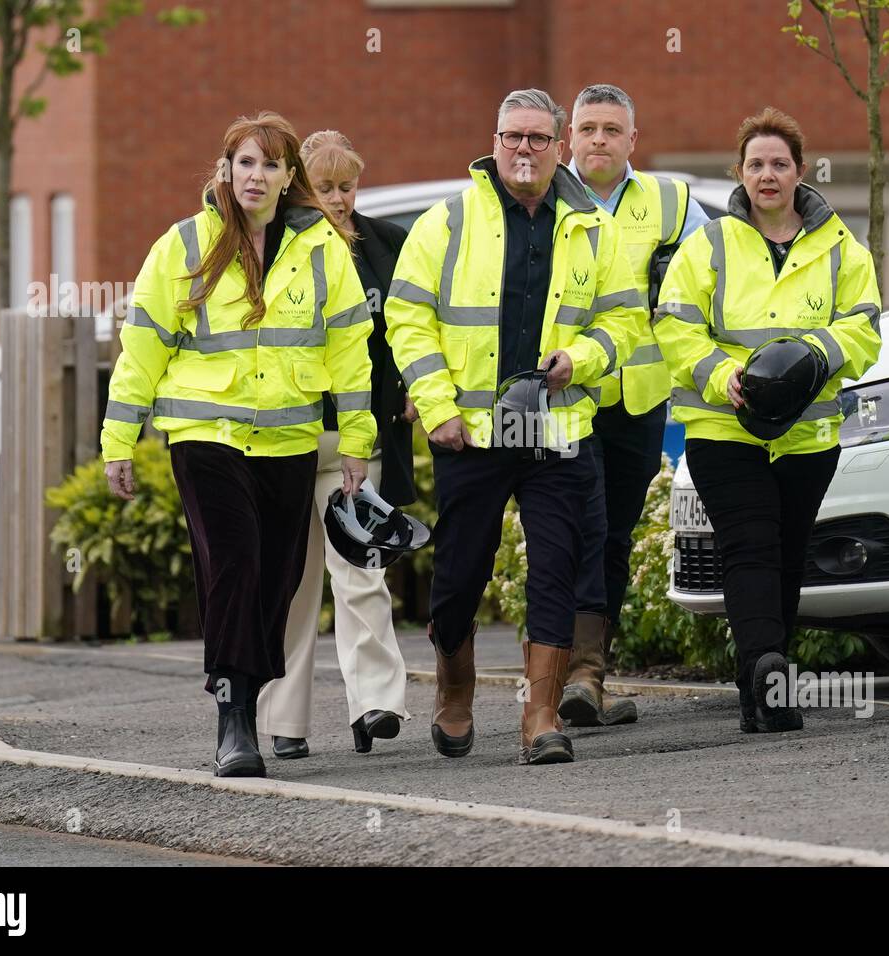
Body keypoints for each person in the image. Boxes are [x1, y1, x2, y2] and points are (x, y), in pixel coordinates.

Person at [100, 111, 375, 777]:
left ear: (289, 177)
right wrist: (119, 437)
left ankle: (247, 701)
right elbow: (143, 346)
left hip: (287, 439)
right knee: (235, 566)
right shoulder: (184, 246)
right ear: (225, 170)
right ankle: (234, 719)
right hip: (207, 438)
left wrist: (359, 438)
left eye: (270, 164)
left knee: (277, 581)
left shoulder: (321, 251)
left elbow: (349, 350)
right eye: (243, 162)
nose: (255, 175)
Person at [386, 88, 643, 765]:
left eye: (536, 138)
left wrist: (579, 358)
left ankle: (540, 715)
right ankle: (456, 683)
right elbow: (408, 320)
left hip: (560, 430)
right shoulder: (447, 220)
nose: (523, 149)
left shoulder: (595, 227)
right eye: (511, 137)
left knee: (556, 569)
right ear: (493, 142)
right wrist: (437, 407)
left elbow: (625, 324)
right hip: (470, 434)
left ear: (560, 148)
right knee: (460, 573)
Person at [652, 107, 881, 733]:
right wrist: (719, 374)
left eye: (780, 163)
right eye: (756, 164)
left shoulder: (841, 249)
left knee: (786, 554)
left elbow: (865, 329)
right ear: (741, 173)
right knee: (748, 546)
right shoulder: (710, 245)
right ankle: (771, 676)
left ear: (800, 172)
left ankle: (759, 686)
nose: (768, 174)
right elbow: (673, 322)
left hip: (809, 434)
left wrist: (814, 357)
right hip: (725, 428)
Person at [257, 130, 417, 758]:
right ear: (301, 188)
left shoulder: (388, 247)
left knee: (360, 571)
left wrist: (413, 384)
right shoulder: (279, 251)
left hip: (359, 438)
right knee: (292, 584)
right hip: (289, 437)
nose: (339, 198)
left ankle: (374, 703)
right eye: (324, 188)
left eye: (347, 185)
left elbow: (408, 327)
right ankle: (284, 723)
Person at [560, 83, 711, 728]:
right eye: (588, 127)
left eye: (611, 129)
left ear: (632, 140)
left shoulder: (673, 203)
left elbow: (718, 274)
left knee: (614, 535)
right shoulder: (543, 197)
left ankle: (590, 675)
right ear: (570, 136)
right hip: (563, 397)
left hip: (639, 400)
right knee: (574, 530)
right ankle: (571, 675)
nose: (599, 139)